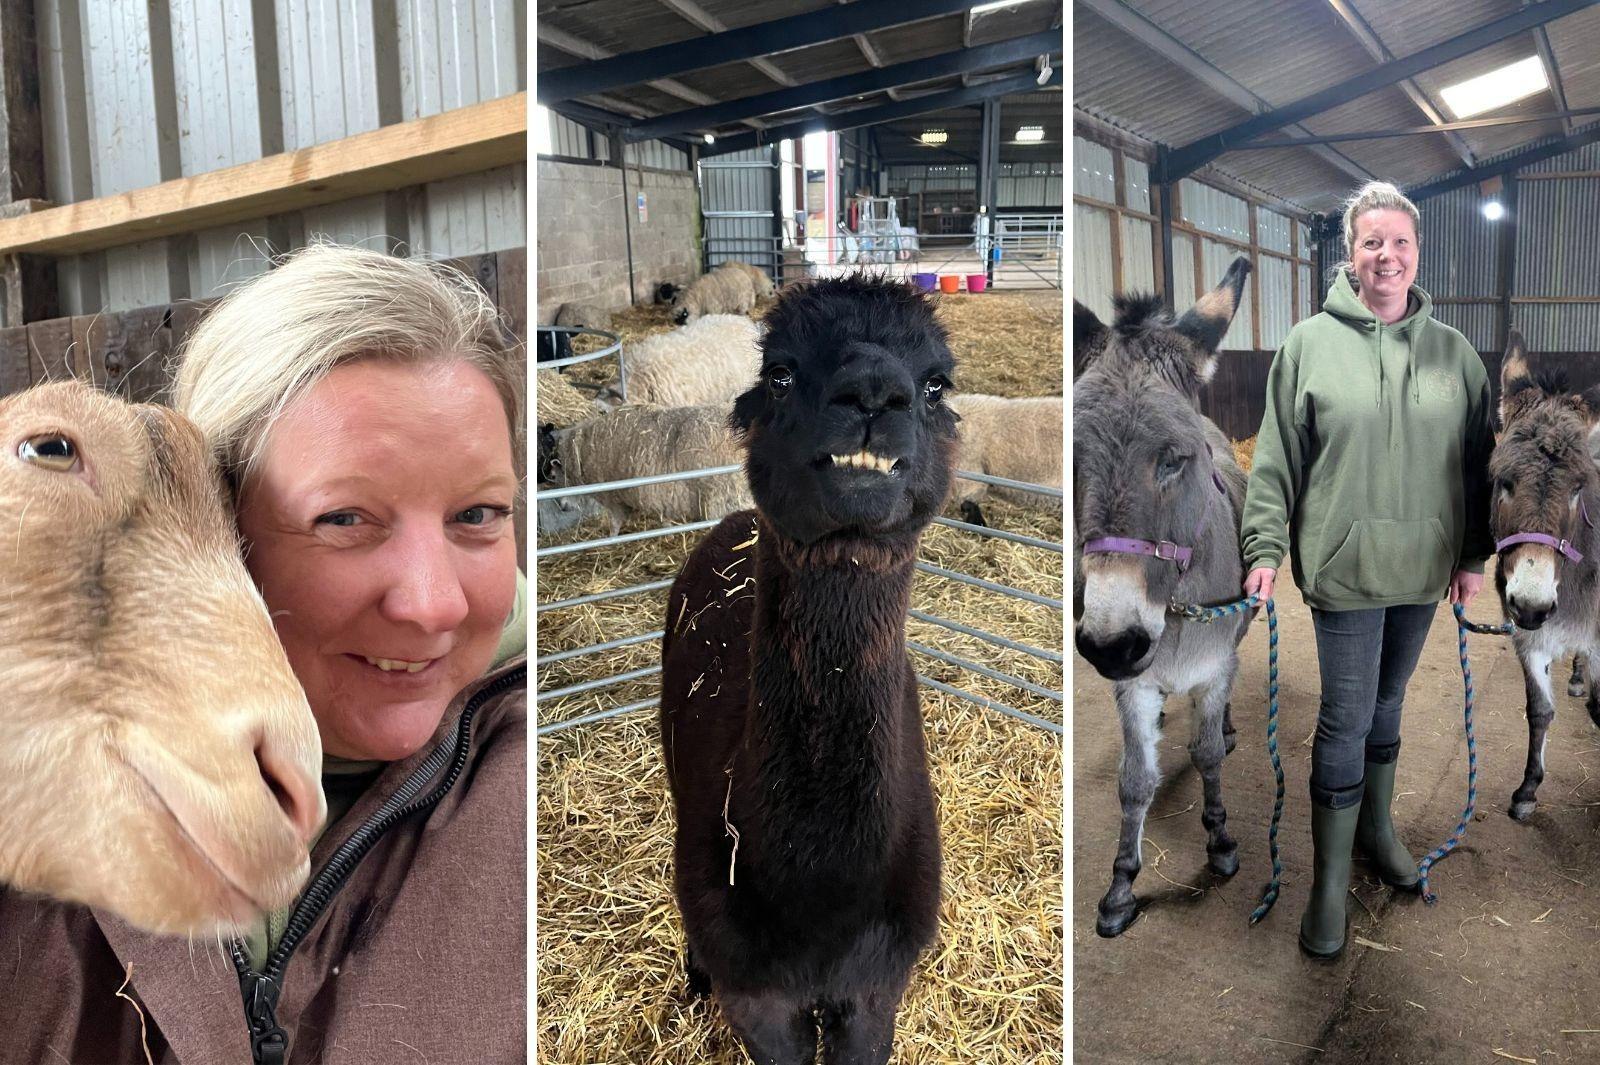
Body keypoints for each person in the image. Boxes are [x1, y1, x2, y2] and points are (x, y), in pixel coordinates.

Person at [0, 243, 527, 1062]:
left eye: (480, 513)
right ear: (218, 518)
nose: (434, 604)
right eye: (345, 518)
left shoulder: (529, 776)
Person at [1240, 181, 1494, 960]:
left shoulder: (1456, 353)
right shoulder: (1308, 346)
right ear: (1350, 254)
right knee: (1347, 716)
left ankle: (1378, 831)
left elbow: (1480, 461)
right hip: (1344, 569)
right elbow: (1276, 457)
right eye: (1371, 241)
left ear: (1419, 254)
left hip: (1423, 566)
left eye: (1400, 242)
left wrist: (1473, 553)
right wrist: (1264, 548)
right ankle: (1326, 880)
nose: (1386, 256)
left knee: (1389, 701)